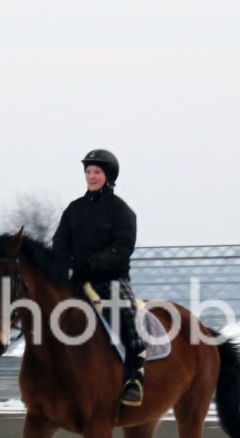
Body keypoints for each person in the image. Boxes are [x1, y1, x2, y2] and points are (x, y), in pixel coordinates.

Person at [52, 148, 146, 407]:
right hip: (77, 282)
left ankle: (135, 376)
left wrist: (90, 263)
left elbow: (123, 249)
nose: (91, 176)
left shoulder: (121, 211)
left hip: (112, 281)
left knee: (127, 315)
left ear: (108, 176)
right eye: (88, 172)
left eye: (96, 172)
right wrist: (58, 264)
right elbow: (60, 244)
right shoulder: (73, 210)